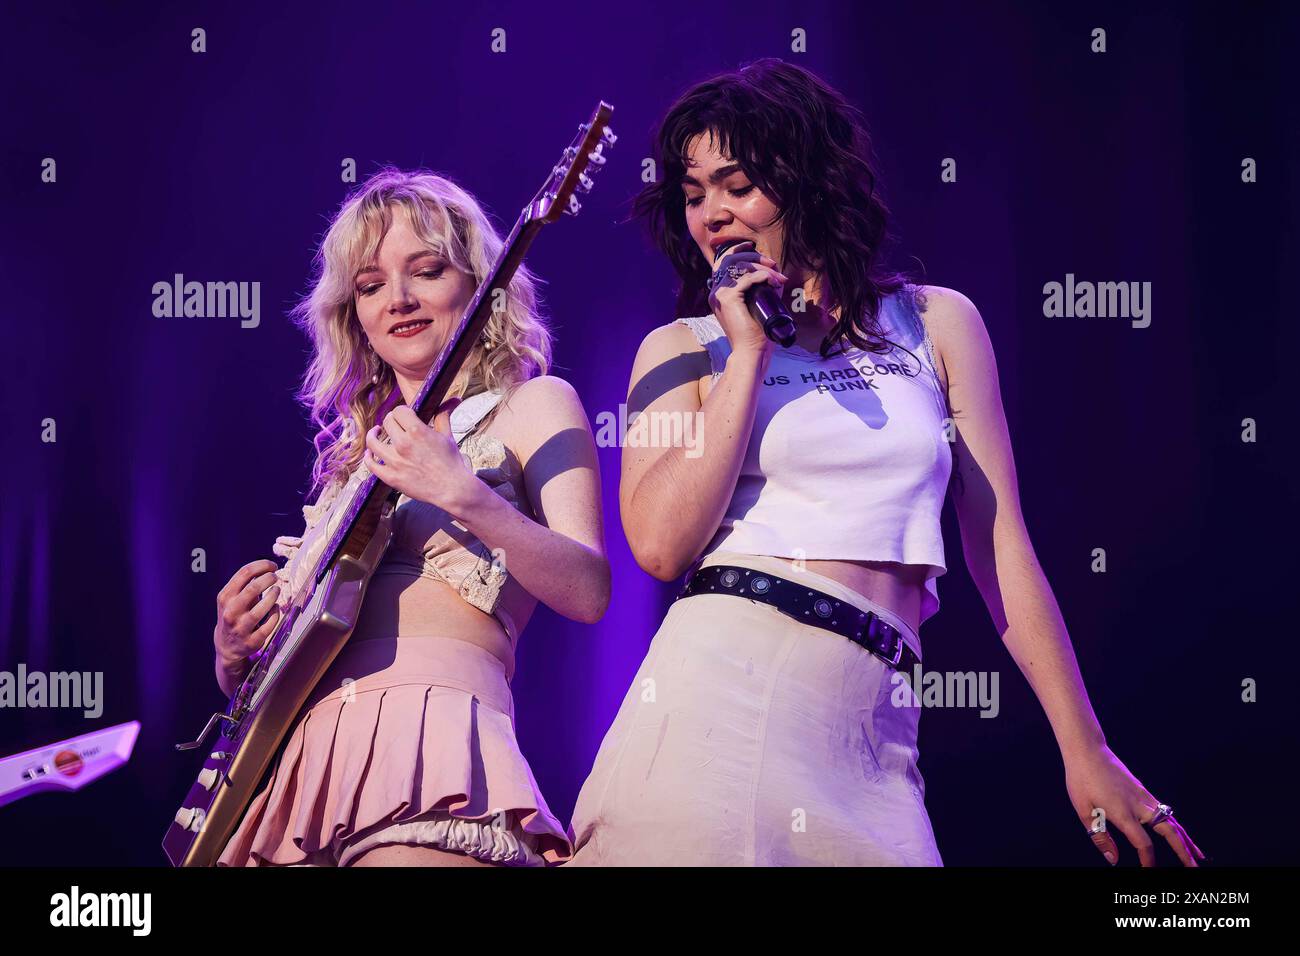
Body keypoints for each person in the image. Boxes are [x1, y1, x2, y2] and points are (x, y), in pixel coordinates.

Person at [566, 59, 1204, 866]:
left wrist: (1084, 747)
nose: (713, 214)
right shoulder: (683, 349)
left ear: (805, 179)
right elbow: (657, 544)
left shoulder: (936, 322)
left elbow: (1000, 542)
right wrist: (748, 354)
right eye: (694, 196)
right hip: (717, 699)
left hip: (875, 729)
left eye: (736, 185)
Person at [212, 167, 609, 867]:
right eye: (369, 286)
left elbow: (588, 590)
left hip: (430, 743)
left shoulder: (532, 404)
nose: (397, 300)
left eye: (425, 272)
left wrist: (464, 493)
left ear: (478, 283)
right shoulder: (351, 467)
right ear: (351, 313)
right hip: (300, 769)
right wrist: (235, 654)